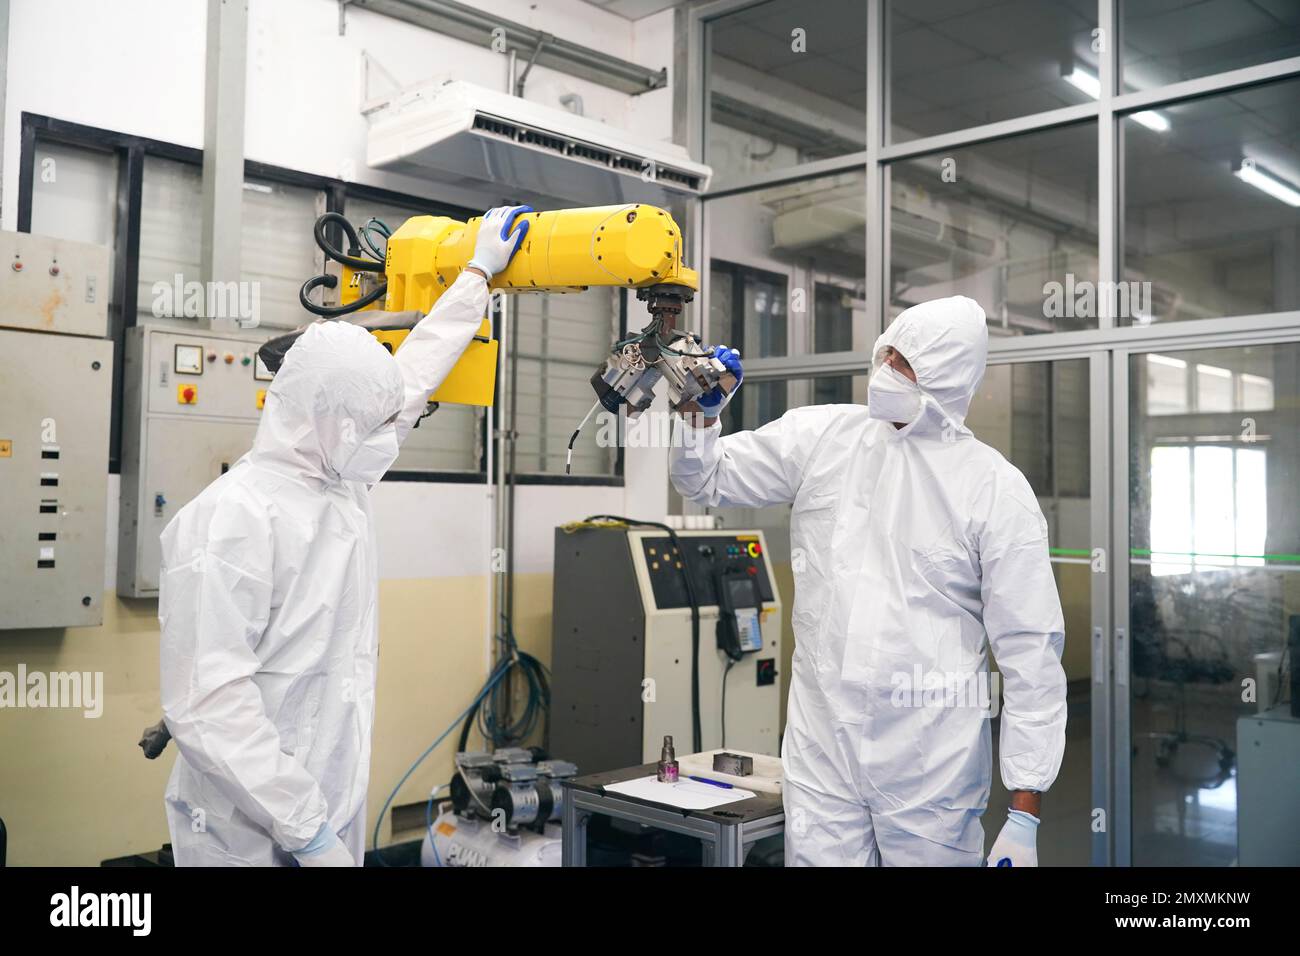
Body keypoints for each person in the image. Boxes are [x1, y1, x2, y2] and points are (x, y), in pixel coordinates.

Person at [158, 205, 532, 866]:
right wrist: (309, 832)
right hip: (245, 834)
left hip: (326, 807)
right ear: (326, 418)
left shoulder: (337, 479)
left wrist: (476, 275)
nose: (385, 435)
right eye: (368, 423)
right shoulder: (229, 521)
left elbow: (411, 380)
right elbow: (211, 707)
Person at [671, 296, 1067, 867]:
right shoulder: (825, 437)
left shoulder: (995, 489)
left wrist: (1024, 813)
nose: (888, 373)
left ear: (949, 379)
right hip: (822, 747)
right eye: (888, 354)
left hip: (930, 763)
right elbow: (703, 480)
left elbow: (1030, 651)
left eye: (908, 365)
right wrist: (697, 415)